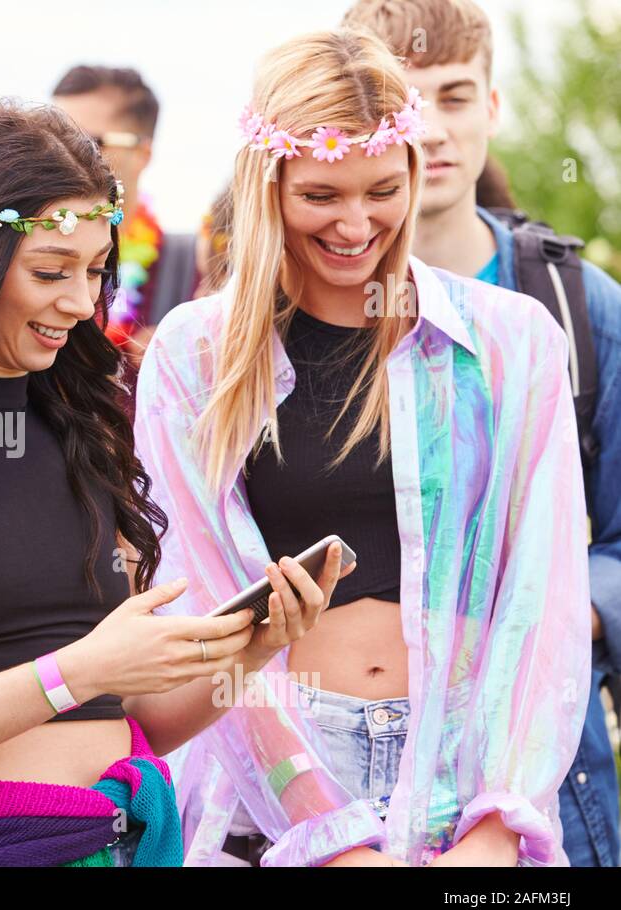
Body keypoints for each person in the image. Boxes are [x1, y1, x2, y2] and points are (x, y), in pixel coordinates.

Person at [0, 101, 349, 867]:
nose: (82, 303)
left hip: (119, 843)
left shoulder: (89, 433)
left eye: (94, 271)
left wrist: (250, 650)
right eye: (50, 271)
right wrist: (77, 670)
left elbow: (125, 715)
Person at [139, 28, 590, 866]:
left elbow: (543, 594)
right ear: (267, 185)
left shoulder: (509, 342)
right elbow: (199, 604)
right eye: (321, 196)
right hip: (272, 783)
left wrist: (495, 829)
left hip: (469, 773)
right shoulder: (193, 356)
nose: (357, 224)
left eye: (383, 188)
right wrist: (332, 840)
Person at [346, 0, 621, 869]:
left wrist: (563, 612)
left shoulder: (579, 311)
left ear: (493, 108)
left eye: (455, 96)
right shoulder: (289, 323)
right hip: (341, 800)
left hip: (544, 789)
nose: (431, 127)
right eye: (402, 100)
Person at [52, 65, 200, 421]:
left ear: (143, 154)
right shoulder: (20, 264)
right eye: (50, 138)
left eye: (89, 142)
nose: (59, 156)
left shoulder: (195, 273)